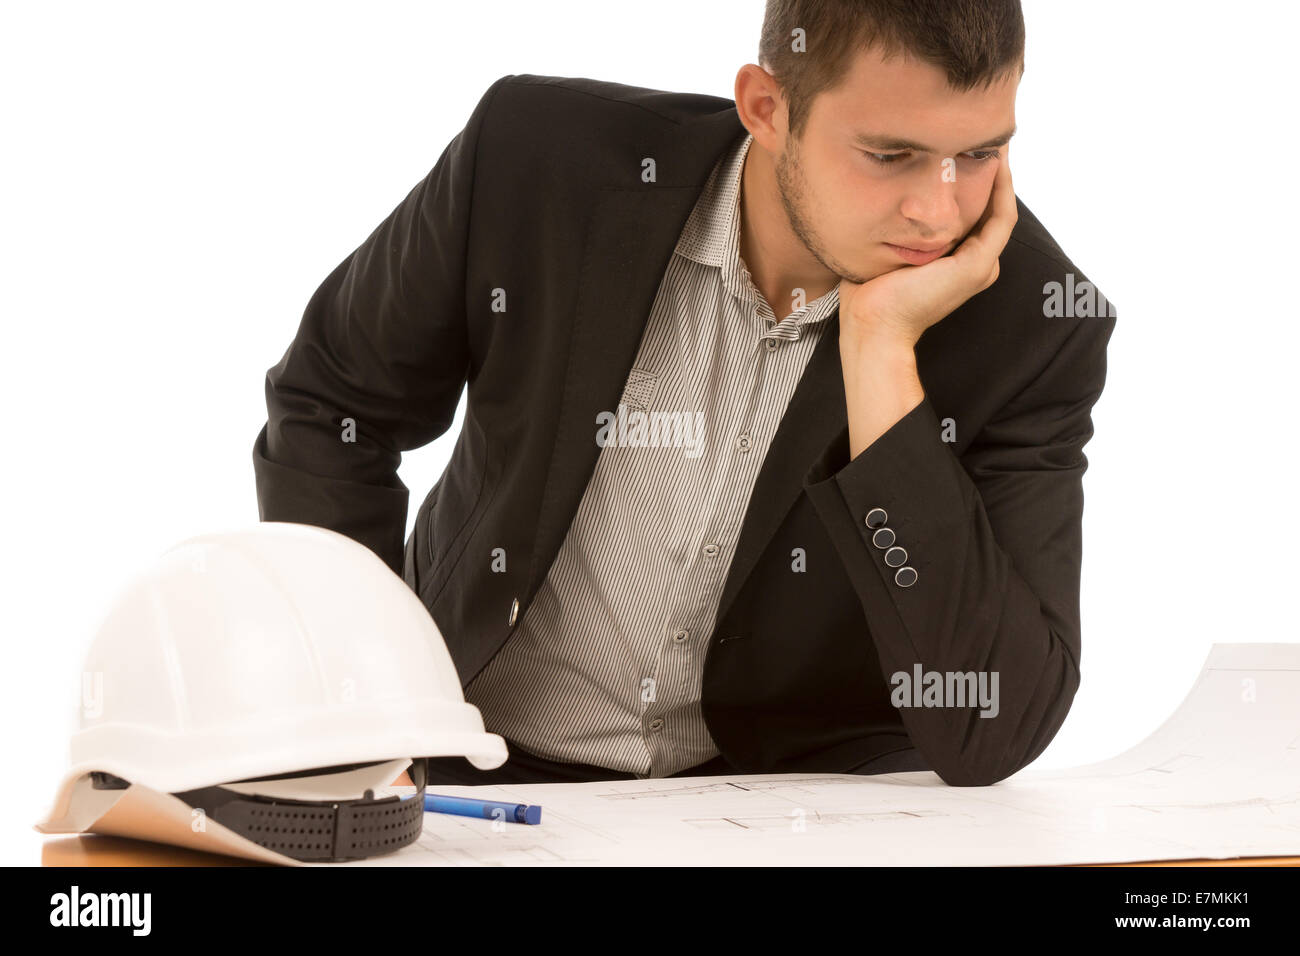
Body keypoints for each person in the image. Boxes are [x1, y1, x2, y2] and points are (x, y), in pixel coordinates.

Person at [253, 0, 1115, 787]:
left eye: (981, 153)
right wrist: (359, 702)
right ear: (768, 108)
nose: (939, 209)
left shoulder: (1035, 326)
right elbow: (335, 404)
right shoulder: (535, 161)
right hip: (475, 767)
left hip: (780, 811)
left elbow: (995, 724)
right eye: (892, 156)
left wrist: (883, 355)